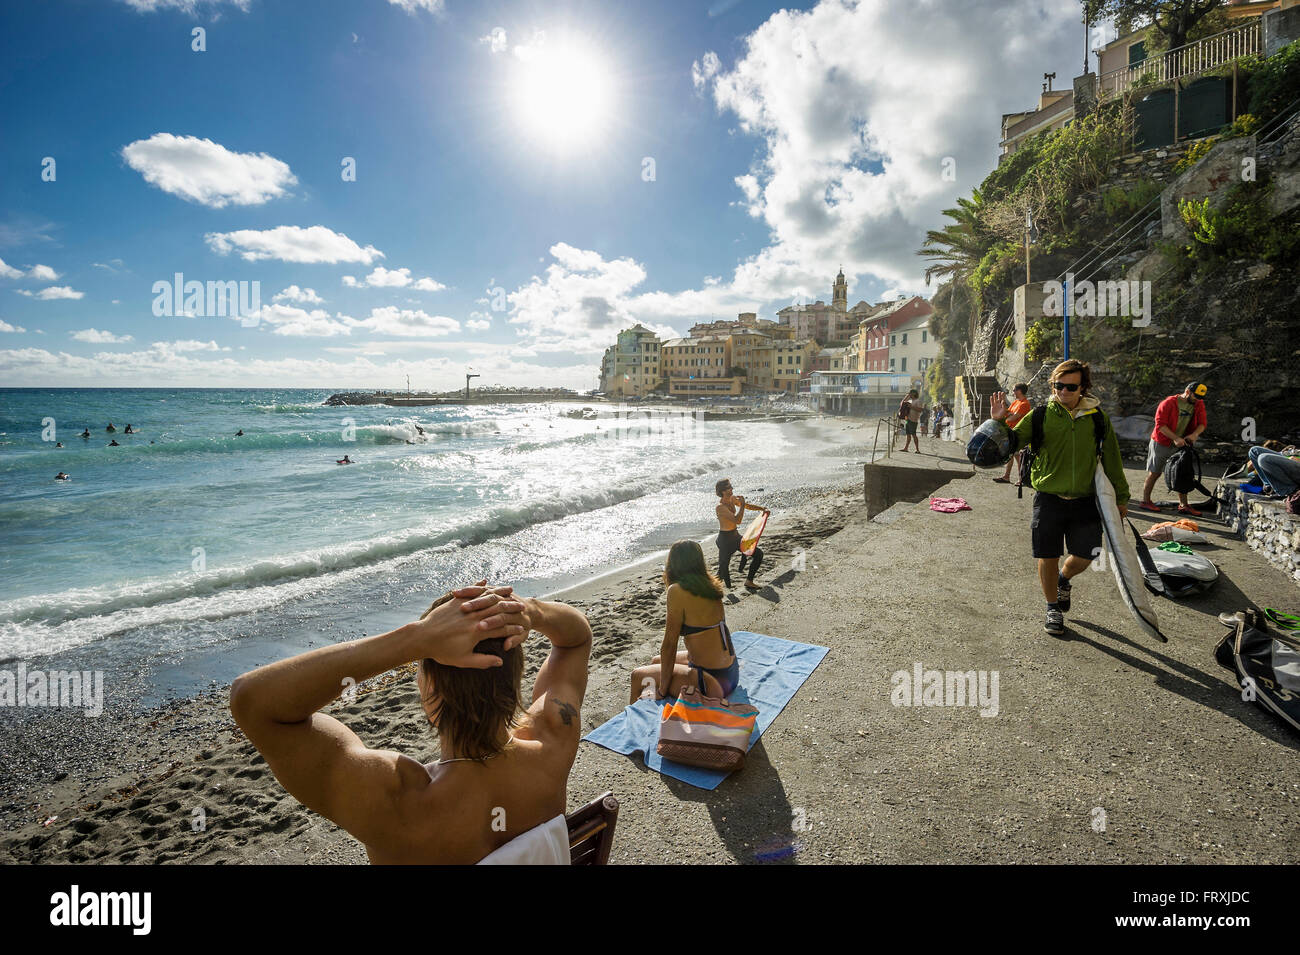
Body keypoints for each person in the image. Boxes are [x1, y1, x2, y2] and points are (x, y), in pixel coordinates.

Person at [230, 582, 592, 864]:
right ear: (516, 678)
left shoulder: (393, 798)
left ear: (429, 686)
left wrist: (415, 638)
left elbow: (253, 700)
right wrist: (531, 610)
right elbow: (575, 639)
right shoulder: (551, 742)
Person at [988, 359, 1129, 637]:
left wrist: (1121, 497)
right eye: (1058, 386)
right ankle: (1052, 606)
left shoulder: (1097, 418)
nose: (1063, 391)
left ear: (1083, 387)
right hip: (1048, 498)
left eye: (1070, 387)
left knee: (1087, 555)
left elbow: (1112, 459)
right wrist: (998, 421)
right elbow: (1012, 443)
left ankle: (1064, 579)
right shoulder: (1041, 415)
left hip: (1085, 499)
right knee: (1047, 555)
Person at [629, 540, 739, 704]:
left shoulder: (677, 590)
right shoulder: (709, 585)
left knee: (637, 676)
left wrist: (662, 690)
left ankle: (634, 723)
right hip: (730, 674)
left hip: (710, 682)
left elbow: (669, 645)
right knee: (655, 661)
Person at [1138, 382, 1208, 515]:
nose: (1197, 400)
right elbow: (1160, 425)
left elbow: (1202, 423)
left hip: (1182, 443)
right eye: (1195, 396)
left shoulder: (1198, 403)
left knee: (1182, 472)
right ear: (1187, 392)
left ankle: (1184, 505)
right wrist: (1175, 438)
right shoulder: (1168, 403)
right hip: (1162, 440)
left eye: (1200, 397)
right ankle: (1145, 501)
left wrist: (1194, 434)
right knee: (1155, 472)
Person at [715, 477, 768, 590]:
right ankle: (711, 591)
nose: (732, 488)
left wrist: (762, 509)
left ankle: (749, 581)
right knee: (722, 570)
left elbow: (747, 505)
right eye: (729, 487)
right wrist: (742, 505)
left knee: (758, 554)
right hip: (725, 540)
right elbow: (737, 520)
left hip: (735, 536)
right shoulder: (720, 508)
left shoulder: (732, 499)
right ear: (723, 491)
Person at [994, 384, 1032, 484]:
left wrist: (1006, 416)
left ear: (1020, 391)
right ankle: (1007, 477)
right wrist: (1003, 403)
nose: (1013, 392)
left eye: (1014, 390)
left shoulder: (1024, 404)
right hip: (1011, 432)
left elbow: (1012, 418)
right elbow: (1007, 413)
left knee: (1017, 456)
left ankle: (1021, 479)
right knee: (1010, 455)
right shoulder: (1016, 402)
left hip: (1018, 433)